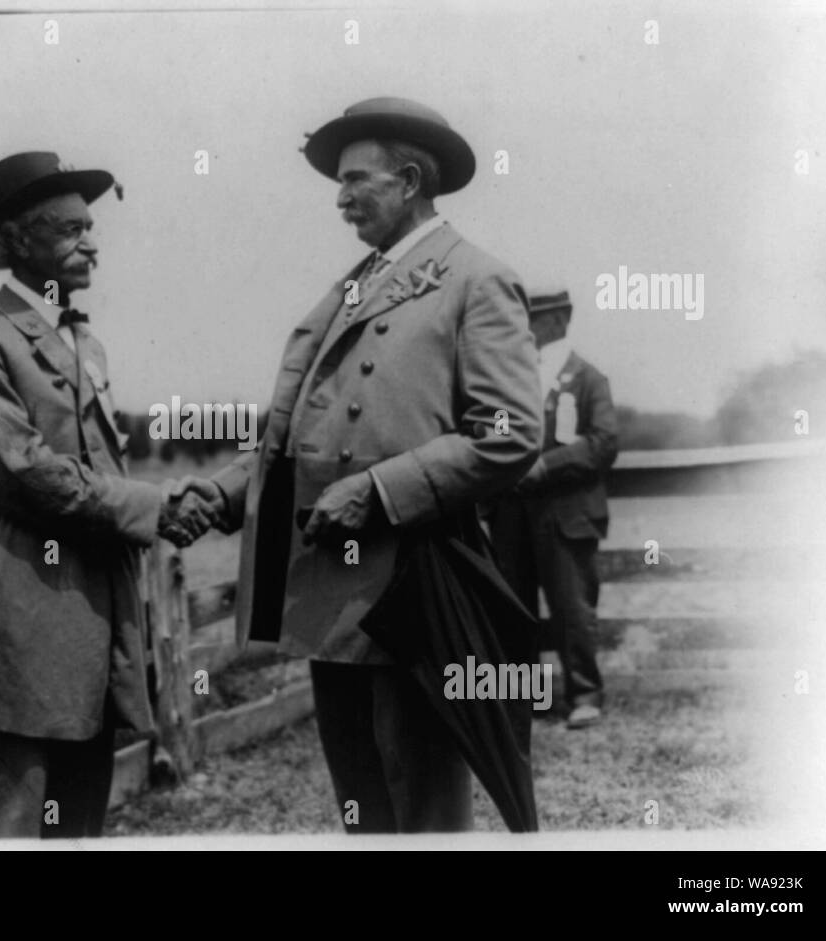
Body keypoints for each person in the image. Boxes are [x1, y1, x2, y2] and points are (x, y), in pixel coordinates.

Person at [179, 98, 542, 832]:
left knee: (425, 806)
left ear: (408, 180)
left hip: (417, 587)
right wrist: (222, 491)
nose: (341, 200)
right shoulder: (354, 286)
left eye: (355, 181)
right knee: (365, 804)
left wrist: (379, 489)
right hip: (331, 594)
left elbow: (510, 431)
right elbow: (300, 434)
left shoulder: (476, 279)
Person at [0, 151, 216, 838]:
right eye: (67, 230)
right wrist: (154, 508)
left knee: (80, 821)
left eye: (91, 227)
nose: (90, 242)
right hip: (22, 621)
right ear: (16, 241)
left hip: (94, 616)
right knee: (9, 819)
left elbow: (100, 469)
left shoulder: (85, 341)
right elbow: (25, 473)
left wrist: (163, 499)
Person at [486, 288, 619, 729]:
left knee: (572, 609)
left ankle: (584, 695)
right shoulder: (511, 379)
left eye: (535, 318)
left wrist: (545, 466)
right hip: (513, 515)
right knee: (514, 606)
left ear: (560, 319)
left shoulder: (588, 378)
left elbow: (603, 443)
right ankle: (528, 698)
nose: (525, 328)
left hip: (567, 515)